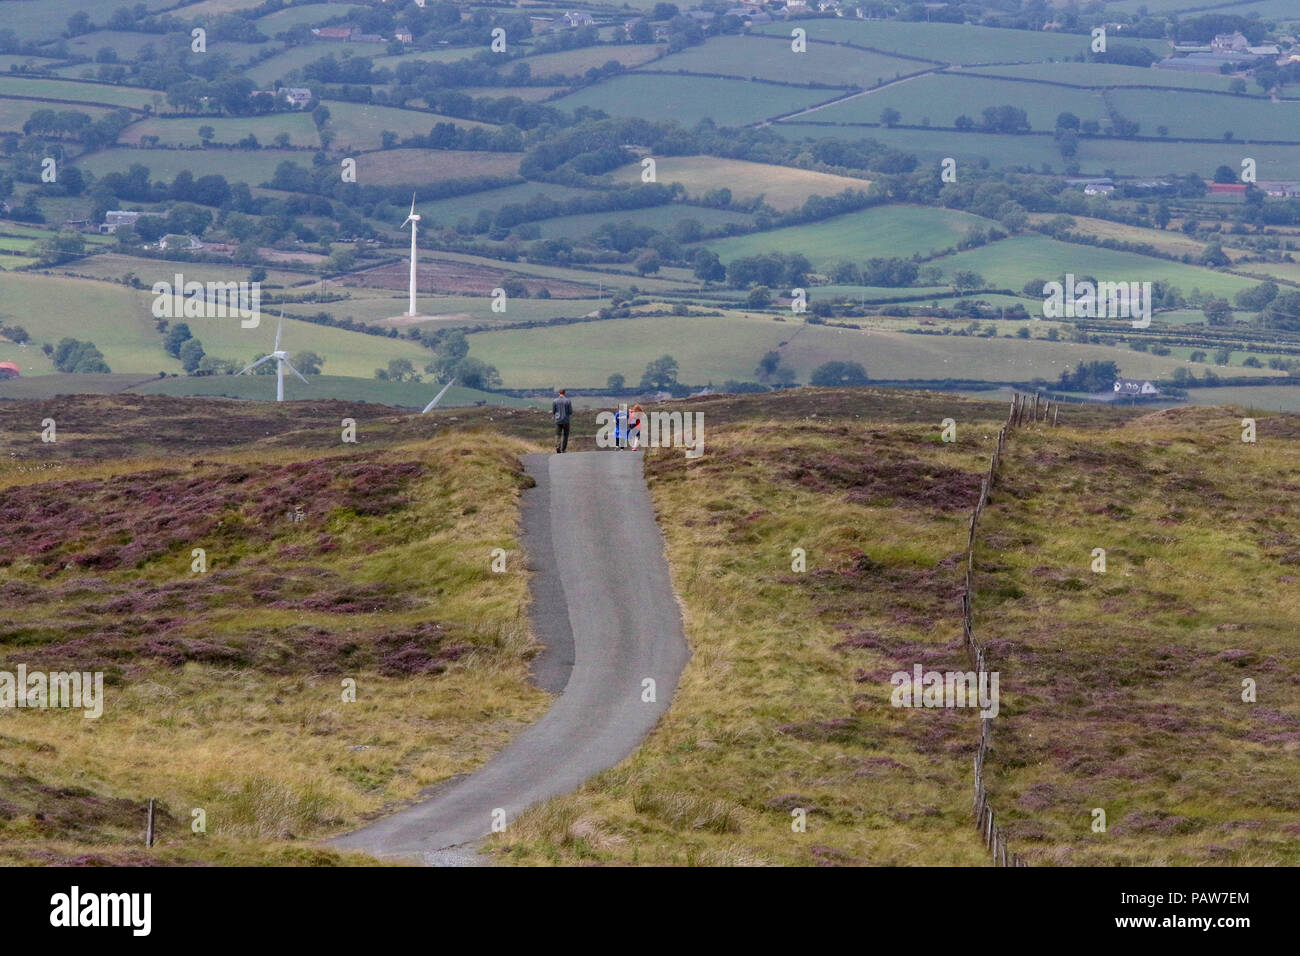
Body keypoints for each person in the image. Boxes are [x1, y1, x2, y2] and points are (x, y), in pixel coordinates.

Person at [552, 387, 572, 453]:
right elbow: (570, 412)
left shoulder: (555, 401)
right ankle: (563, 449)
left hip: (558, 420)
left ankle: (558, 447)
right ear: (564, 393)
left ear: (559, 393)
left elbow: (553, 411)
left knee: (558, 435)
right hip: (566, 420)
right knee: (565, 435)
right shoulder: (568, 401)